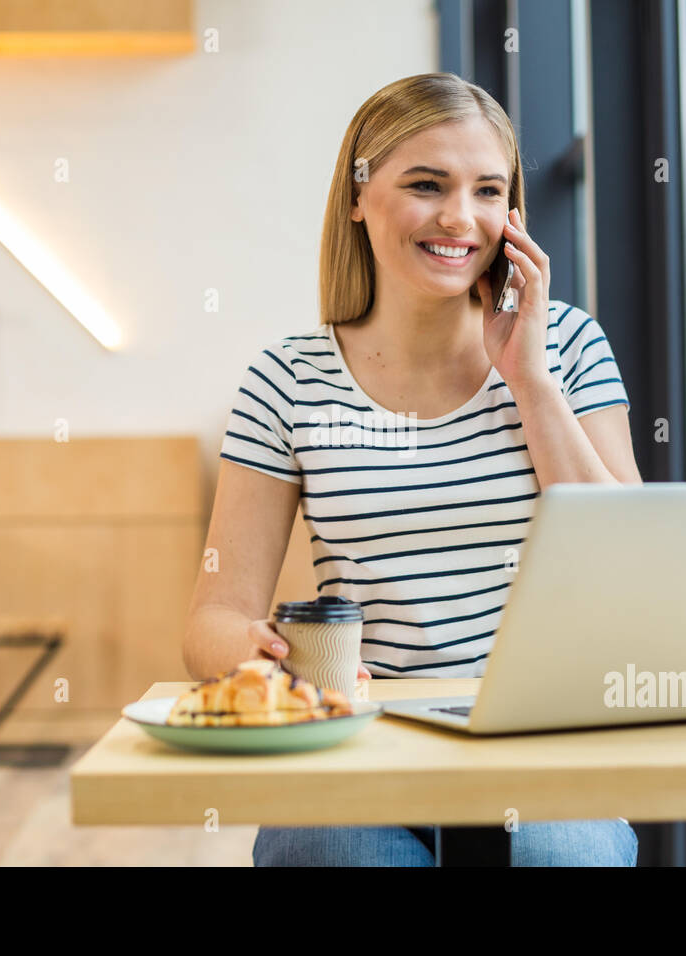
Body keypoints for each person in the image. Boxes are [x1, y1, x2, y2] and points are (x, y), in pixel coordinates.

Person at [182, 72, 641, 867]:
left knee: (564, 856)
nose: (460, 218)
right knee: (329, 852)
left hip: (539, 740)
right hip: (360, 742)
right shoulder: (288, 379)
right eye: (427, 185)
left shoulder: (568, 347)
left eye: (488, 191)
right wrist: (260, 659)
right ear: (358, 197)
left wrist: (530, 380)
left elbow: (630, 568)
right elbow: (213, 617)